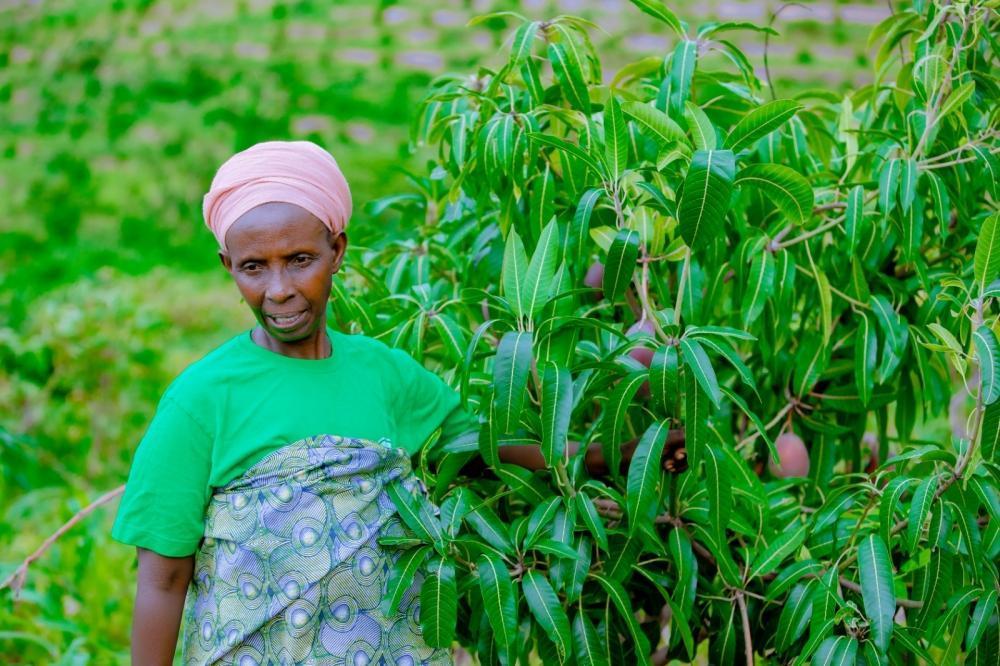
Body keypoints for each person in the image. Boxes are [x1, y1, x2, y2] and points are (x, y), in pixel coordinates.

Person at [112, 140, 685, 665]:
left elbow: (488, 450)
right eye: (253, 268)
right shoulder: (200, 400)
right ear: (228, 267)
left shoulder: (385, 375)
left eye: (300, 259)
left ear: (337, 250)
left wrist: (618, 455)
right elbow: (162, 580)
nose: (279, 289)